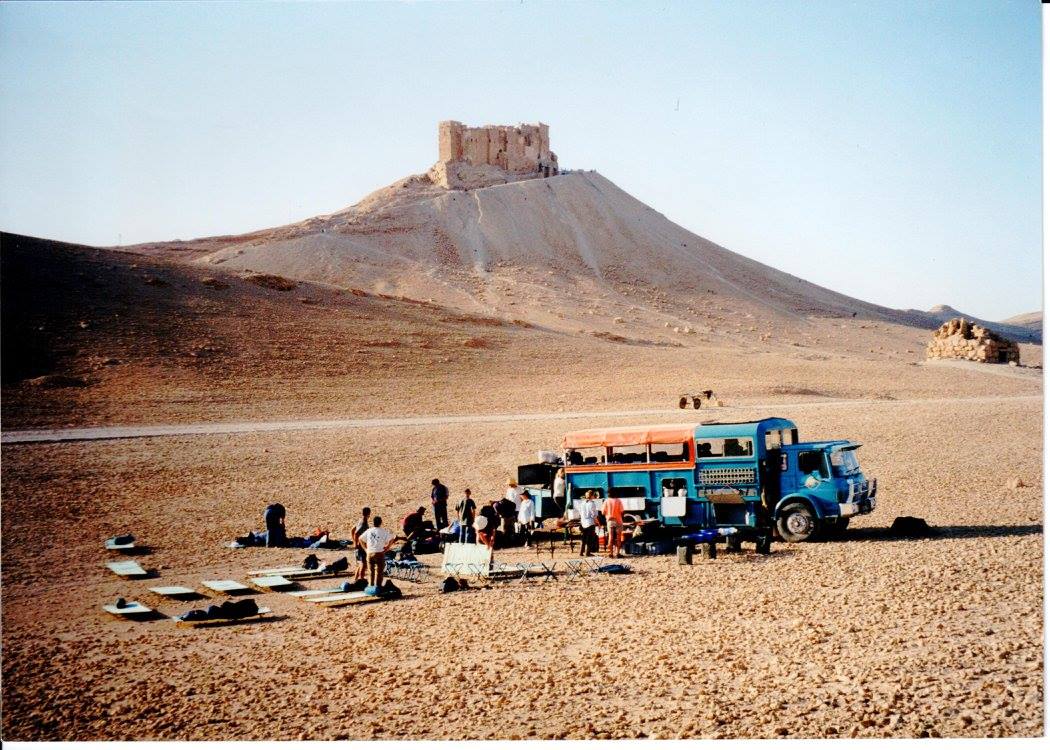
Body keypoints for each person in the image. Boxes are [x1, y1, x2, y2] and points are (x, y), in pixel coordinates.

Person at [359, 516, 398, 588]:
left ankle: (371, 586)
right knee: (379, 572)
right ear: (380, 522)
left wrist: (365, 549)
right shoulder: (383, 531)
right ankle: (378, 587)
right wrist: (387, 547)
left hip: (370, 553)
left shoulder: (369, 531)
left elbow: (360, 538)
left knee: (371, 572)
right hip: (380, 553)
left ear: (373, 523)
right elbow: (392, 539)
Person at [601, 494, 625, 558]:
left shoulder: (606, 501)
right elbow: (622, 511)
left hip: (610, 521)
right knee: (618, 537)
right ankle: (617, 553)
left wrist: (608, 514)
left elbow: (603, 512)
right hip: (618, 520)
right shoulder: (619, 500)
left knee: (610, 537)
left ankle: (611, 553)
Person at [351, 506, 372, 580]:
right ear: (369, 513)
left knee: (360, 564)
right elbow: (356, 533)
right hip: (361, 546)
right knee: (363, 564)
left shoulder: (360, 520)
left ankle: (356, 580)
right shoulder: (363, 522)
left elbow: (352, 530)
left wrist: (354, 542)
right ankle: (361, 580)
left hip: (360, 546)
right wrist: (356, 543)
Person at [578, 491, 599, 556]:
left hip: (583, 522)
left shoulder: (582, 503)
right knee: (590, 539)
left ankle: (581, 552)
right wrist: (598, 523)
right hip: (590, 523)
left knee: (583, 538)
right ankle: (588, 553)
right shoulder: (592, 504)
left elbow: (580, 513)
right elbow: (594, 515)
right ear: (592, 496)